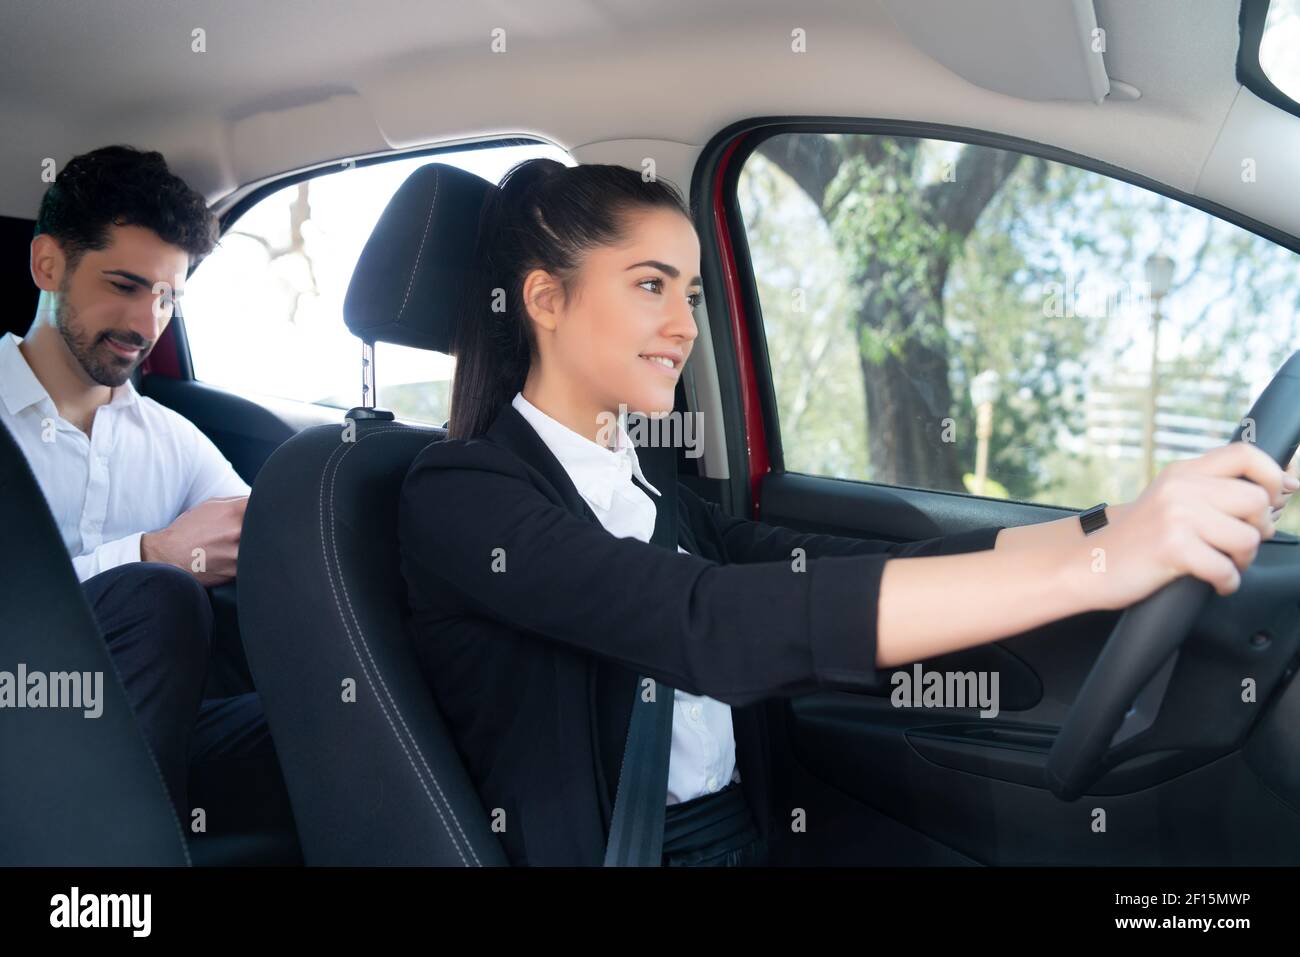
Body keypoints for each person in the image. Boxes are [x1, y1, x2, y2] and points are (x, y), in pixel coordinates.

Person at [398, 158, 1297, 867]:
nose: (684, 323)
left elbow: (815, 563)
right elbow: (706, 625)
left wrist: (1111, 525)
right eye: (650, 285)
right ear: (547, 299)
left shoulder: (659, 502)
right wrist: (1096, 568)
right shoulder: (463, 500)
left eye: (694, 294)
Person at [1, 144, 269, 819]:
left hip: (135, 730)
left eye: (167, 299)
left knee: (320, 720)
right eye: (124, 286)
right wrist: (148, 554)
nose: (146, 325)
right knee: (159, 596)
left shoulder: (166, 437)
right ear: (47, 265)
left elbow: (250, 521)